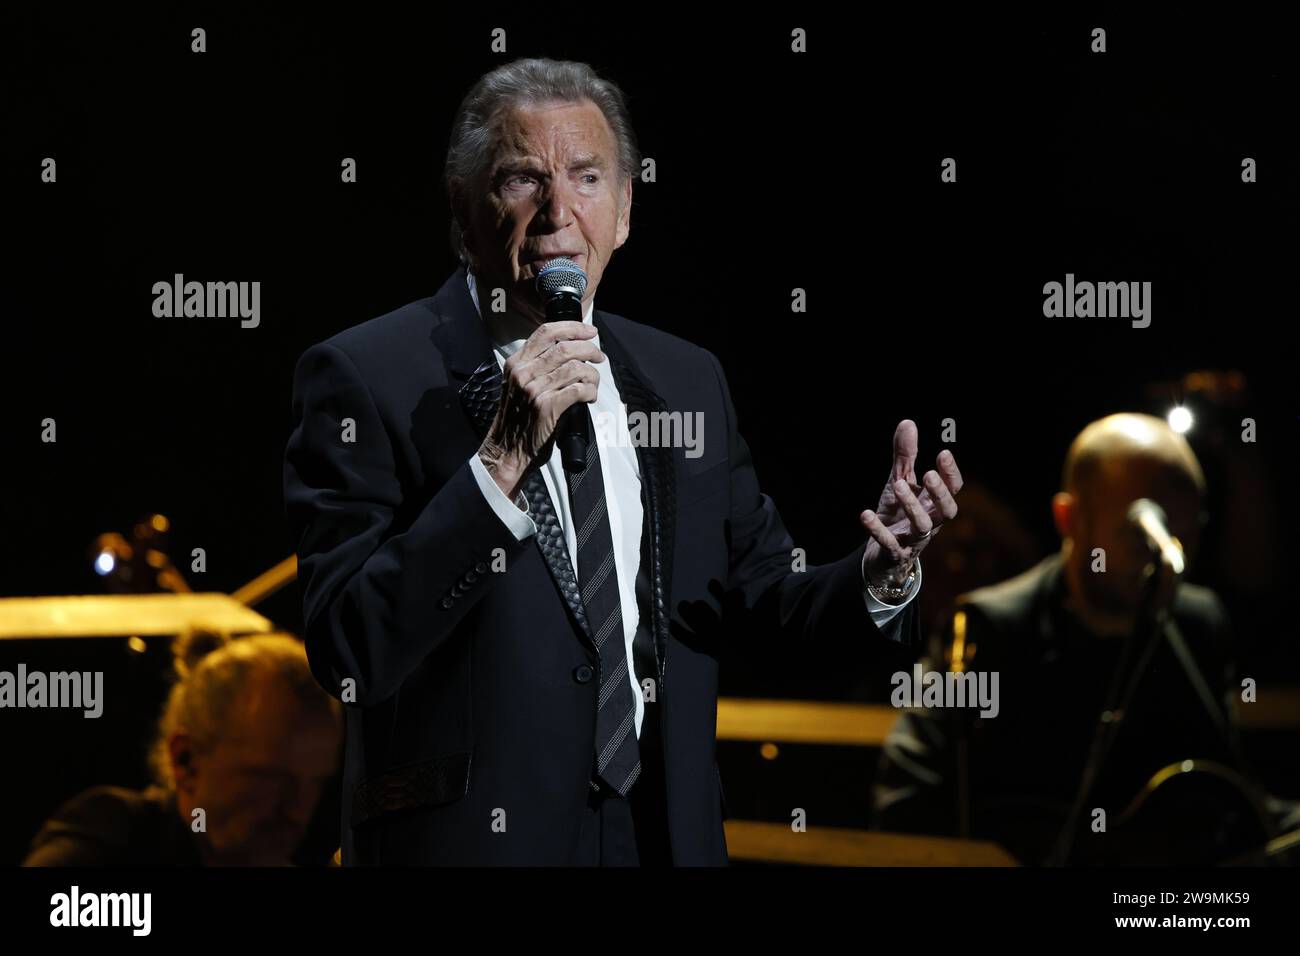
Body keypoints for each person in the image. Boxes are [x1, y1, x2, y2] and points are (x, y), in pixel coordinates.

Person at [283, 57, 963, 866]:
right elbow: (348, 650)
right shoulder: (368, 375)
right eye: (520, 180)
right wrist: (498, 463)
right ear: (463, 214)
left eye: (587, 178)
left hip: (658, 840)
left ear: (627, 211)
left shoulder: (685, 381)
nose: (557, 213)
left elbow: (762, 602)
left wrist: (880, 572)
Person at [872, 413, 1263, 865]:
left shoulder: (1199, 624)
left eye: (1189, 532)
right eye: (1140, 536)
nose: (1171, 559)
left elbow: (1236, 804)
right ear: (1069, 518)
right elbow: (906, 803)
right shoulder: (987, 629)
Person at [23, 628, 342, 866]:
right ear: (186, 760)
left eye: (315, 783)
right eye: (270, 777)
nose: (296, 810)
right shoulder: (113, 835)